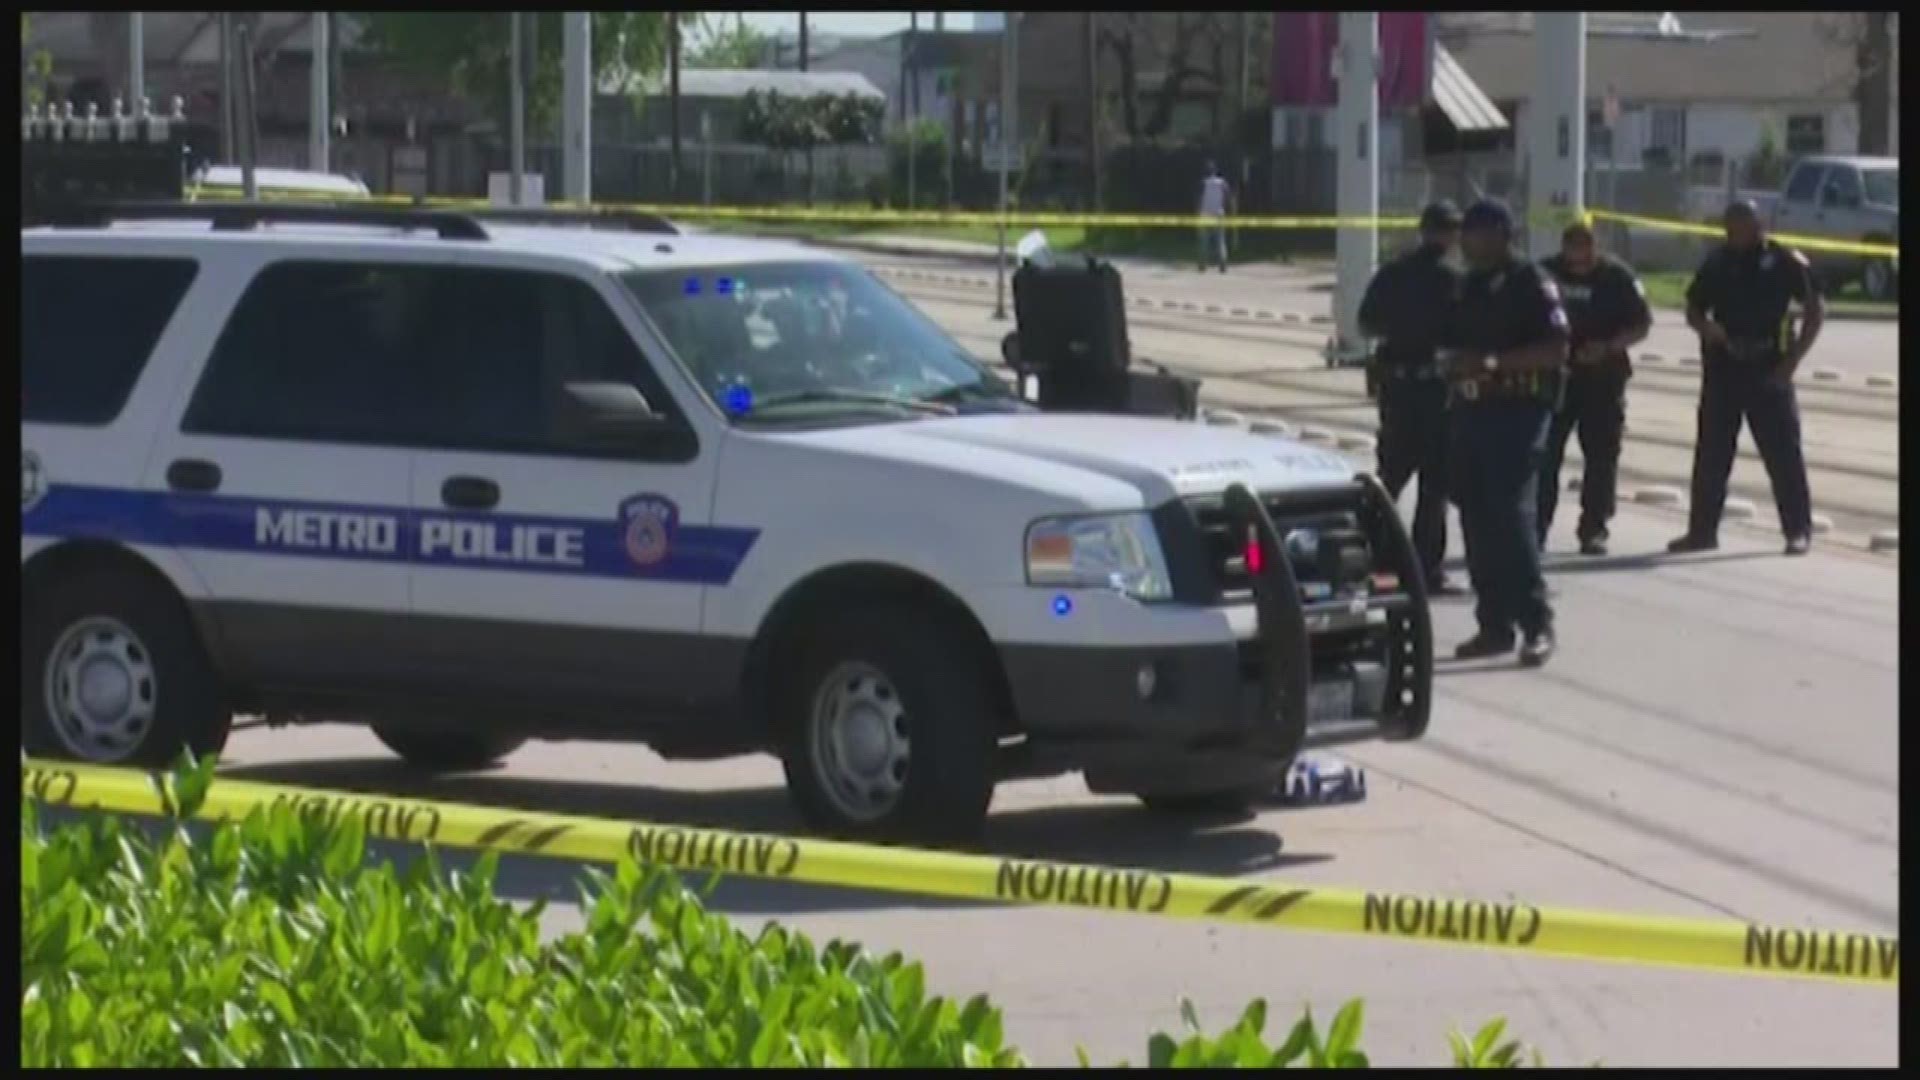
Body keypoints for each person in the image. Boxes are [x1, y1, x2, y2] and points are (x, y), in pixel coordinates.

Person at [1444, 199, 1570, 667]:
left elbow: (1557, 349)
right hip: (1471, 410)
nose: (1466, 242)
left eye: (1475, 233)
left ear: (1501, 234)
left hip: (1518, 412)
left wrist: (1492, 362)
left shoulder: (1531, 282)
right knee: (1475, 516)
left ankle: (1537, 624)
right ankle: (1493, 625)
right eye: (1464, 234)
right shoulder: (1468, 284)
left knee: (1512, 517)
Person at [1669, 200, 1825, 556]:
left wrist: (1793, 361)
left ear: (1759, 225)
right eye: (1731, 226)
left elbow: (1815, 310)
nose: (1736, 232)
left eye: (1743, 225)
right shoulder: (1718, 261)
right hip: (1725, 366)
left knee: (1783, 453)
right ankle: (1701, 531)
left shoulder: (1785, 261)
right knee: (1711, 453)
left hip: (1769, 366)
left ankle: (1797, 530)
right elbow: (1694, 307)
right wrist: (1706, 328)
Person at [1358, 200, 1463, 594]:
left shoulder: (1393, 273)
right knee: (1431, 484)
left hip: (1400, 387)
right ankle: (1425, 569)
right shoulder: (1454, 279)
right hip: (1435, 389)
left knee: (1392, 478)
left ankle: (1378, 561)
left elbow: (1367, 322)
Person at [1536, 220, 1653, 556]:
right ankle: (1537, 527)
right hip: (1557, 376)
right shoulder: (1544, 274)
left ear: (1595, 248)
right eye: (1572, 253)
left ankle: (1594, 528)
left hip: (1603, 378)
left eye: (1584, 254)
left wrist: (1609, 346)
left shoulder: (1617, 277)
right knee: (1545, 456)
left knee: (1602, 457)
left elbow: (1641, 324)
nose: (1578, 262)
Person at [1197, 161, 1232, 273]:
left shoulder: (1203, 183)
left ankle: (1203, 264)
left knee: (1204, 240)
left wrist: (1197, 211)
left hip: (1205, 214)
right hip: (1218, 213)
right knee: (1220, 240)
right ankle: (1223, 265)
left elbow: (1199, 198)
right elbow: (1228, 197)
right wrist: (1225, 208)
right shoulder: (1222, 183)